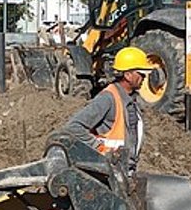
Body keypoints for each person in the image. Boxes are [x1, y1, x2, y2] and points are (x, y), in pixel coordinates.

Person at [61, 46, 153, 177]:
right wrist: (100, 149)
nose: (144, 78)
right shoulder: (108, 98)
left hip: (124, 170)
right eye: (140, 74)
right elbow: (73, 127)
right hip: (108, 172)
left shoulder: (130, 99)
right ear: (127, 75)